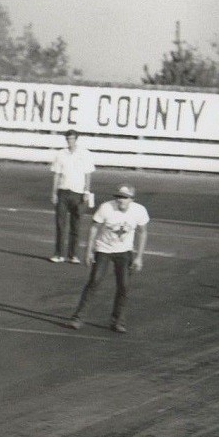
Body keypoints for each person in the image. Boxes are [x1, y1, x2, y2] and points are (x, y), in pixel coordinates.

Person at [69, 184, 149, 334]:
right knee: (94, 281)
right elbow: (94, 227)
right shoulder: (106, 208)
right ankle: (78, 318)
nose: (121, 200)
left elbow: (143, 232)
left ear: (132, 199)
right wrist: (88, 251)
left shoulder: (139, 211)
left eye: (125, 198)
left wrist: (139, 257)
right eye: (118, 197)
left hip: (124, 251)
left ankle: (118, 321)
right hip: (103, 249)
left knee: (123, 286)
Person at [50, 129, 95, 263]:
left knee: (76, 224)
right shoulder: (60, 154)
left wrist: (87, 191)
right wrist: (53, 192)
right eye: (68, 139)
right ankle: (59, 254)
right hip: (63, 191)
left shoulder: (85, 154)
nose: (70, 141)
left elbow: (88, 174)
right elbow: (56, 174)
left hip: (78, 192)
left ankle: (73, 255)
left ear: (76, 139)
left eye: (72, 139)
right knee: (60, 224)